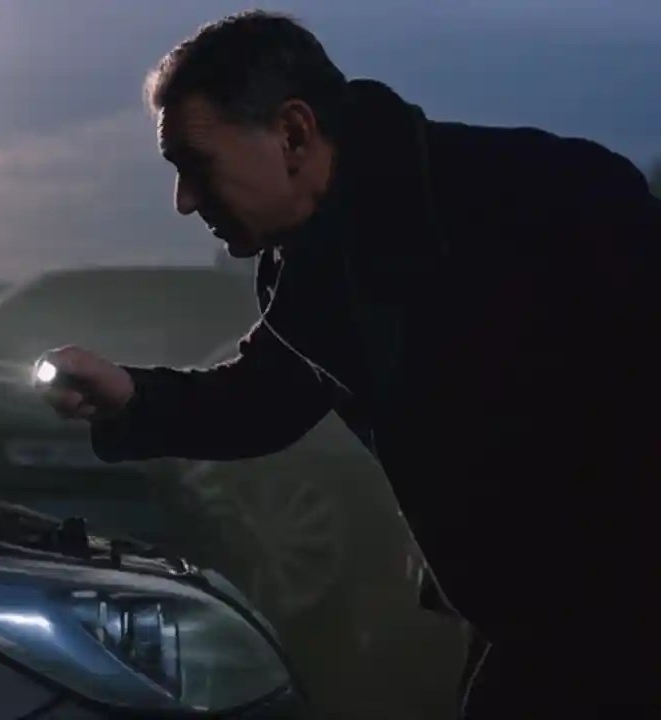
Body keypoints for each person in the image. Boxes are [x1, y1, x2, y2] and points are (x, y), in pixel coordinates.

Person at [39, 11, 660, 719]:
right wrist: (129, 397)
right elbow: (264, 401)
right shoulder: (306, 259)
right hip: (528, 619)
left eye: (195, 164)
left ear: (293, 133)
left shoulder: (547, 195)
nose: (183, 201)